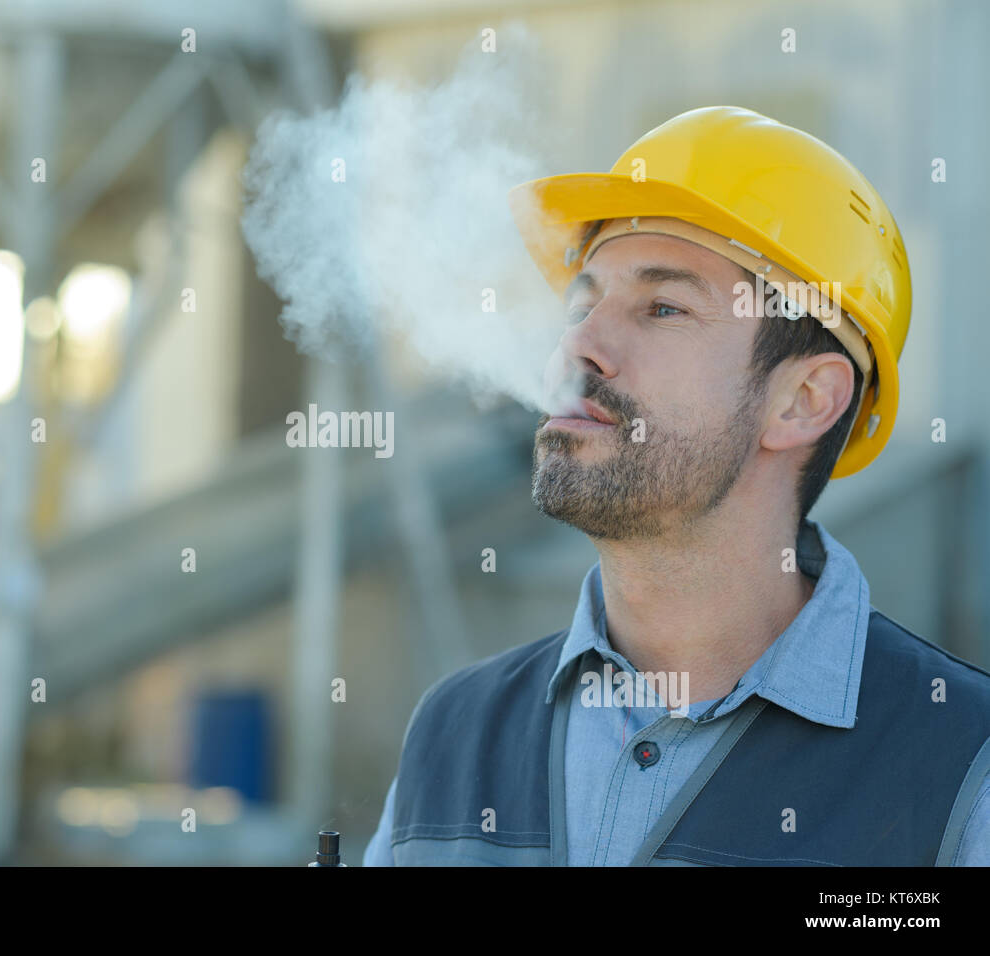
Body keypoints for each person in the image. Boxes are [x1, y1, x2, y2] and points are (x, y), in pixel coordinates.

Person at [363, 106, 990, 866]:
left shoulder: (963, 771)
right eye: (581, 303)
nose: (578, 346)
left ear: (802, 401)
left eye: (663, 307)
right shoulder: (452, 735)